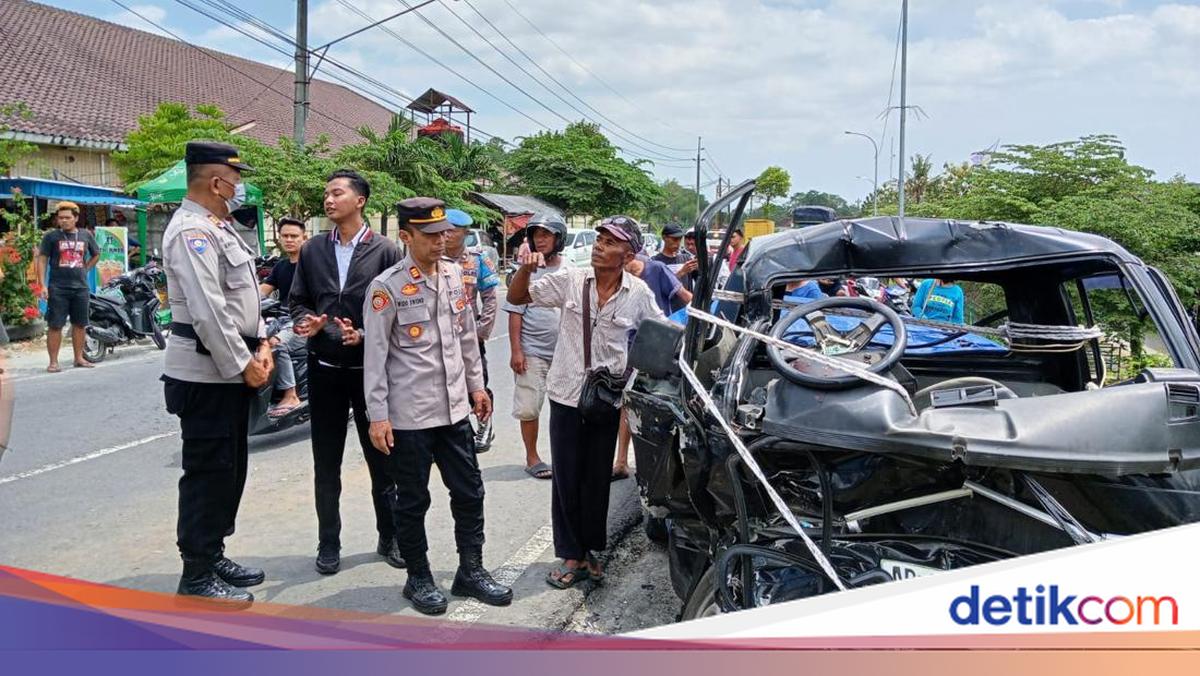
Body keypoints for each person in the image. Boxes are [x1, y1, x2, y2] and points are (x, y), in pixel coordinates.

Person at [363, 197, 511, 616]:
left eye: (443, 232)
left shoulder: (451, 275)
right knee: (412, 500)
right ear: (406, 237)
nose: (440, 241)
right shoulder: (386, 287)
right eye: (429, 235)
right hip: (409, 416)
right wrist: (378, 417)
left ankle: (471, 570)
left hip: (453, 412)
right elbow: (374, 358)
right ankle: (419, 577)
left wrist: (477, 387)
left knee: (469, 491)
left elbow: (466, 337)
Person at [506, 215, 664, 589]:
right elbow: (517, 298)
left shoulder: (638, 292)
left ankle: (591, 549)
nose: (599, 246)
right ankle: (570, 553)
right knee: (566, 478)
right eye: (599, 239)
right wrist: (525, 271)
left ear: (627, 254)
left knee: (596, 480)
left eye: (610, 242)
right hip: (566, 394)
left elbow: (659, 332)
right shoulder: (572, 280)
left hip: (606, 398)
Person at [160, 141, 272, 605]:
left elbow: (244, 298)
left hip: (232, 366)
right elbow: (208, 309)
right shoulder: (191, 232)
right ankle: (196, 573)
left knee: (231, 470)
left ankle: (214, 552)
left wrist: (263, 341)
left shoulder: (219, 228)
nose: (239, 185)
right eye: (235, 176)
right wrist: (243, 363)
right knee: (208, 472)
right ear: (216, 181)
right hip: (207, 373)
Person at [289, 169, 404, 575]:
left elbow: (398, 310)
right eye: (326, 193)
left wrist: (368, 335)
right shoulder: (313, 250)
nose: (329, 199)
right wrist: (308, 324)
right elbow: (298, 302)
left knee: (382, 459)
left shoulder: (386, 250)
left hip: (369, 374)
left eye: (337, 192)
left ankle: (389, 536)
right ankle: (329, 542)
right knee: (327, 462)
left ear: (360, 201)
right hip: (324, 369)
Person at [612, 251, 692, 480]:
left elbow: (687, 297)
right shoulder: (615, 275)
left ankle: (655, 466)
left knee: (645, 403)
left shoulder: (656, 270)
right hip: (625, 347)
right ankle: (620, 461)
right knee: (624, 403)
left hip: (657, 347)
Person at [502, 212, 567, 480]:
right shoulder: (524, 272)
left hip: (564, 353)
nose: (540, 240)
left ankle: (565, 456)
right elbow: (515, 311)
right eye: (536, 234)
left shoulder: (569, 270)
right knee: (529, 407)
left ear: (558, 238)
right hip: (532, 351)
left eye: (546, 234)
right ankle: (532, 457)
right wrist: (517, 351)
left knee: (566, 408)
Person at [444, 208, 500, 452]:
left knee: (477, 381)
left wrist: (480, 331)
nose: (444, 235)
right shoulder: (433, 260)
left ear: (465, 234)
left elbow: (490, 298)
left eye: (451, 231)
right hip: (441, 336)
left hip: (469, 335)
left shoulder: (476, 260)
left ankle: (484, 426)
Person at [36, 201, 100, 373]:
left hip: (80, 287)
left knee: (80, 324)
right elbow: (42, 259)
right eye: (60, 218)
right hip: (58, 287)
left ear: (76, 218)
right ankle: (53, 362)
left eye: (67, 218)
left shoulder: (86, 235)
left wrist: (86, 268)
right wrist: (42, 285)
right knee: (55, 324)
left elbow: (96, 253)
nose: (63, 221)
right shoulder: (51, 237)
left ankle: (79, 358)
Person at [259, 217, 306, 416]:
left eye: (294, 236)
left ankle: (290, 394)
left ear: (304, 238)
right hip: (281, 320)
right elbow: (261, 292)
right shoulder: (281, 266)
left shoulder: (312, 265)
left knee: (275, 344)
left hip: (303, 321)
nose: (289, 240)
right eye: (285, 236)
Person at [651, 222, 697, 307]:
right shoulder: (655, 262)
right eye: (674, 239)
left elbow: (700, 280)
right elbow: (657, 287)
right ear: (664, 238)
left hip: (685, 309)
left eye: (680, 239)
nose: (678, 243)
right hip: (666, 310)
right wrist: (682, 272)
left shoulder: (686, 258)